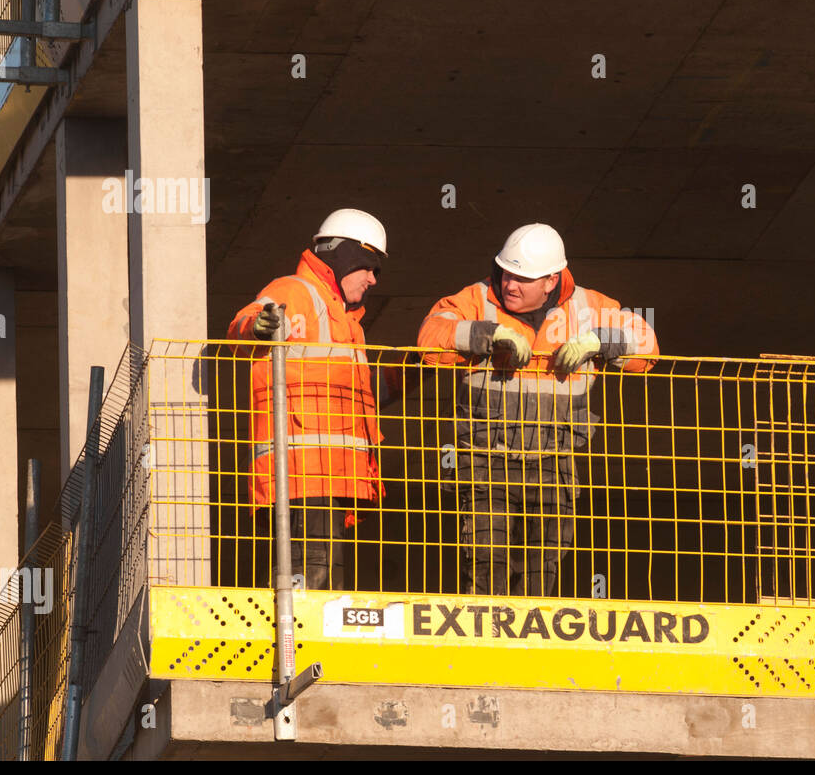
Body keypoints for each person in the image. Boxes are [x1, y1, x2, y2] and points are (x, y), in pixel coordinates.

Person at [417, 223, 658, 596]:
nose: (509, 284)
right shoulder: (477, 299)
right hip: (486, 460)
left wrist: (600, 341)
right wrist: (486, 334)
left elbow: (647, 345)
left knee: (540, 569)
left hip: (553, 461)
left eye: (522, 279)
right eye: (506, 273)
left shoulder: (589, 307)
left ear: (550, 281)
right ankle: (486, 645)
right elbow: (430, 339)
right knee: (486, 560)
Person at [228, 208, 392, 591]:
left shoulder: (348, 323)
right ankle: (296, 645)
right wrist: (260, 326)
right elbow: (243, 324)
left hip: (332, 472)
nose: (372, 279)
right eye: (369, 266)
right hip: (302, 470)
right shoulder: (295, 291)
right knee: (311, 569)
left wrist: (417, 366)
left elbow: (360, 397)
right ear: (344, 256)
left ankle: (309, 645)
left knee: (325, 571)